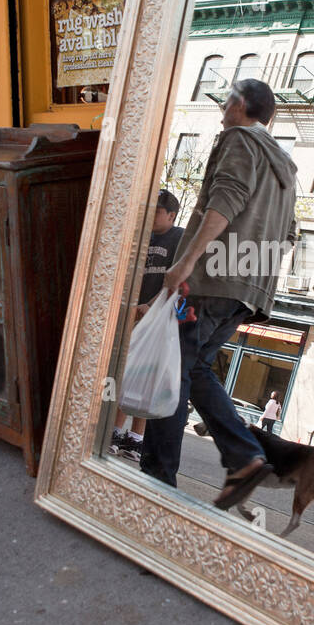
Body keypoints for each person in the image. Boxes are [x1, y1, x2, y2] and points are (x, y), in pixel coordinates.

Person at [140, 78, 297, 494]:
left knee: (170, 368)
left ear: (242, 106)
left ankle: (157, 479)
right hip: (249, 290)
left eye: (227, 101)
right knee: (193, 368)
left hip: (211, 281)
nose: (222, 110)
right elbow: (290, 234)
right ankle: (245, 457)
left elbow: (225, 200)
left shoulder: (239, 140)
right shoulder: (285, 167)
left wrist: (184, 264)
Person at [110, 190, 185, 460]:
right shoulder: (143, 238)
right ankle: (117, 432)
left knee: (145, 376)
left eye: (156, 211)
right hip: (133, 312)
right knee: (125, 373)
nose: (151, 216)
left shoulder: (179, 238)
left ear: (171, 215)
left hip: (158, 318)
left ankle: (135, 438)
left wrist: (151, 306)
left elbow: (177, 279)